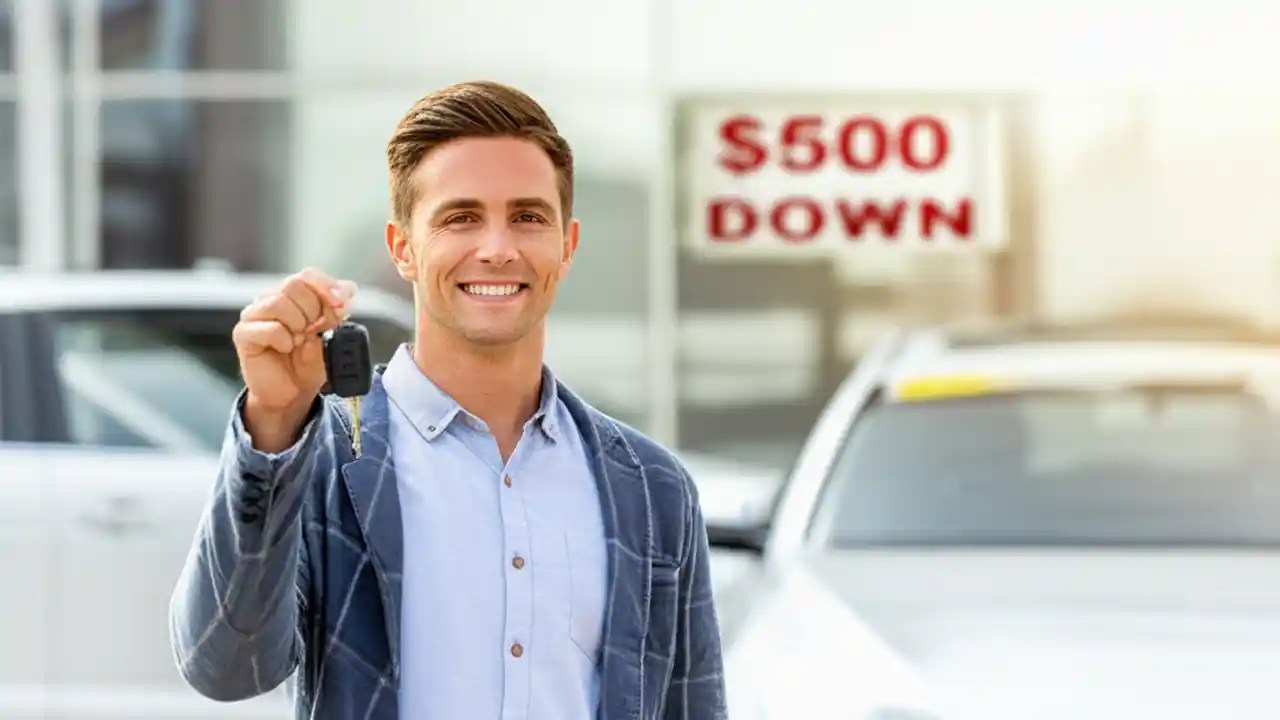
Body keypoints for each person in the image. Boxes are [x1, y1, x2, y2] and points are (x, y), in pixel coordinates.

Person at [168, 80, 728, 719]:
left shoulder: (653, 489)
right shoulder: (318, 459)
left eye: (528, 217)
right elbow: (223, 667)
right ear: (402, 248)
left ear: (567, 245)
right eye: (461, 217)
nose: (497, 249)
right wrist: (272, 421)